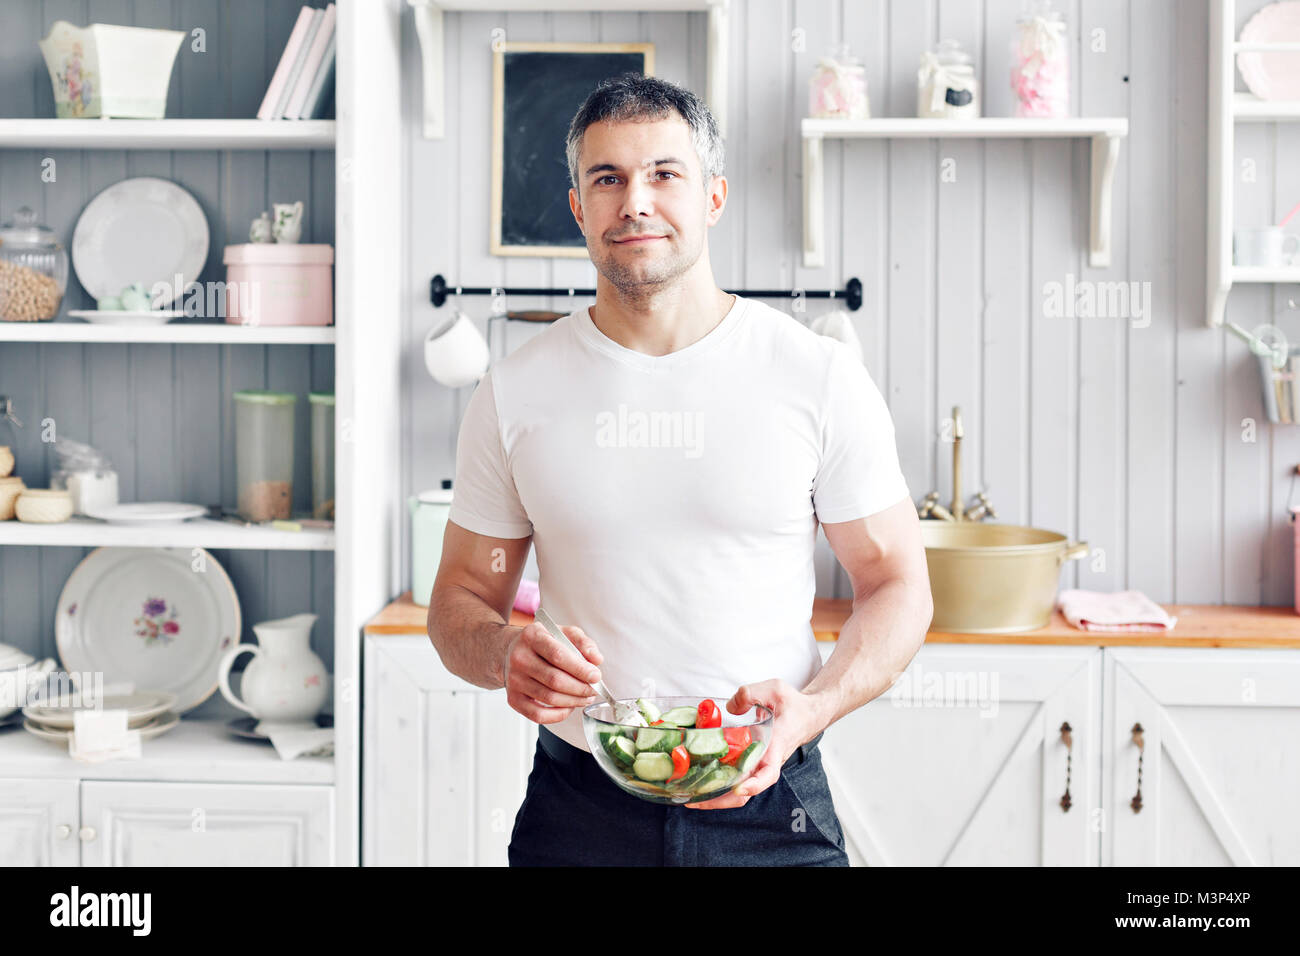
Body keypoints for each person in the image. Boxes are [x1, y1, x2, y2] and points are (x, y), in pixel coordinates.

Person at [427, 72, 933, 866]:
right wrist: (500, 652)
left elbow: (899, 582)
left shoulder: (816, 375)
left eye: (665, 174)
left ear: (714, 198)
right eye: (608, 179)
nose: (635, 201)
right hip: (578, 811)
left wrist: (815, 707)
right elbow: (460, 596)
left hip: (773, 807)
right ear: (578, 210)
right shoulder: (514, 389)